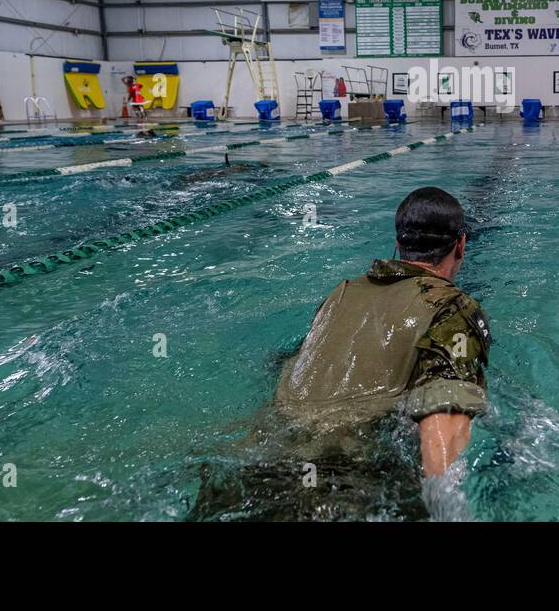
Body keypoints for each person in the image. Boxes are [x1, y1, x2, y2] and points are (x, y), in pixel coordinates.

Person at [188, 187, 491, 521]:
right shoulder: (452, 308)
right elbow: (442, 424)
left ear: (399, 243)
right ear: (461, 245)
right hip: (338, 493)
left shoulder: (340, 295)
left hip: (244, 476)